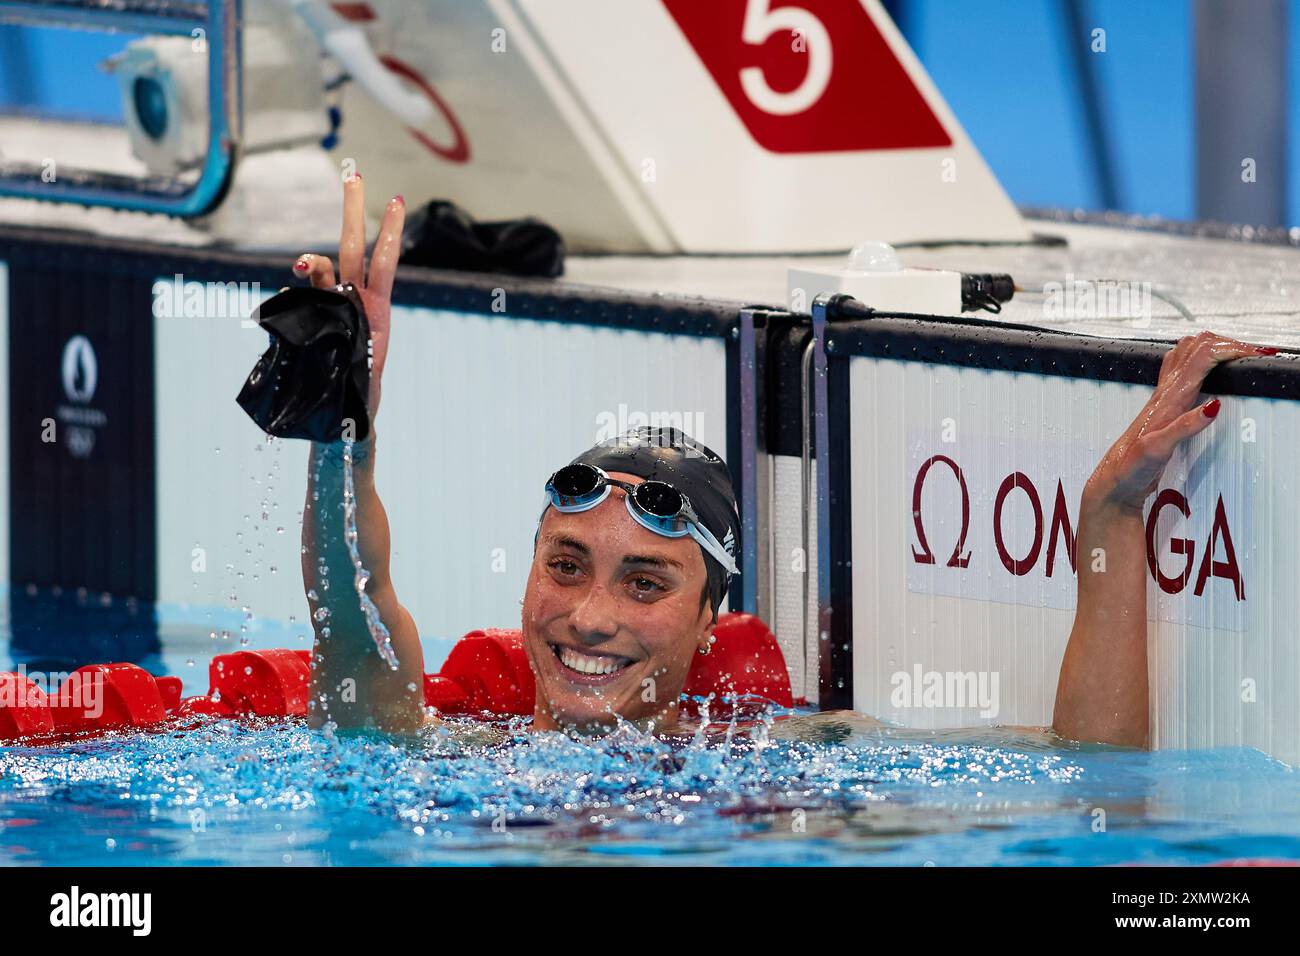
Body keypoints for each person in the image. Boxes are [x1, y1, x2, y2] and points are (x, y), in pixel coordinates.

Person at [294, 175, 1276, 745]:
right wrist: (345, 436)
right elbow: (355, 614)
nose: (588, 615)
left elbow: (1092, 787)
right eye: (565, 564)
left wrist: (1109, 518)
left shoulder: (782, 759)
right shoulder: (457, 757)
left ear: (710, 617)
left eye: (646, 581)